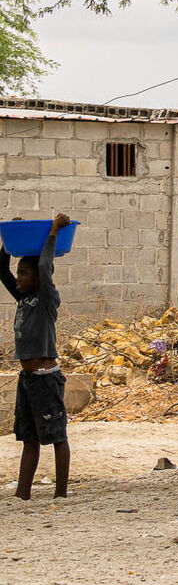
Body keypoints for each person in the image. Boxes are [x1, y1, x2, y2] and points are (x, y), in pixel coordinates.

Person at [6, 212, 71, 501]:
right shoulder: (23, 298)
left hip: (46, 379)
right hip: (28, 379)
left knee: (56, 436)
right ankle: (23, 494)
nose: (18, 277)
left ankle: (60, 493)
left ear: (38, 279)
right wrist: (11, 239)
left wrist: (54, 232)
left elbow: (45, 265)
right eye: (18, 272)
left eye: (23, 273)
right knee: (28, 439)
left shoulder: (47, 299)